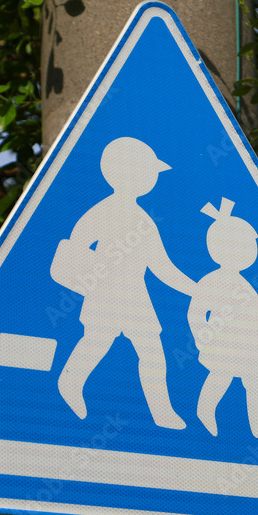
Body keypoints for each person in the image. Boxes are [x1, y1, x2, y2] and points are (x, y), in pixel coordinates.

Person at [51, 137, 195, 428]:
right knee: (98, 342)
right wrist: (86, 274)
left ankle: (162, 411)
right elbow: (77, 241)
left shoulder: (144, 221)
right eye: (149, 173)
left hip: (135, 296)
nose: (152, 179)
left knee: (151, 350)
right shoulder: (105, 210)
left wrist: (196, 290)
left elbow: (162, 267)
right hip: (105, 291)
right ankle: (69, 383)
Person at [188, 198, 258, 440]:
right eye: (244, 245)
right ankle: (204, 410)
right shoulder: (211, 281)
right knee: (221, 376)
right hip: (223, 342)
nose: (250, 251)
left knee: (257, 380)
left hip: (249, 345)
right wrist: (201, 336)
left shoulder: (246, 286)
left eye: (251, 246)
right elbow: (195, 312)